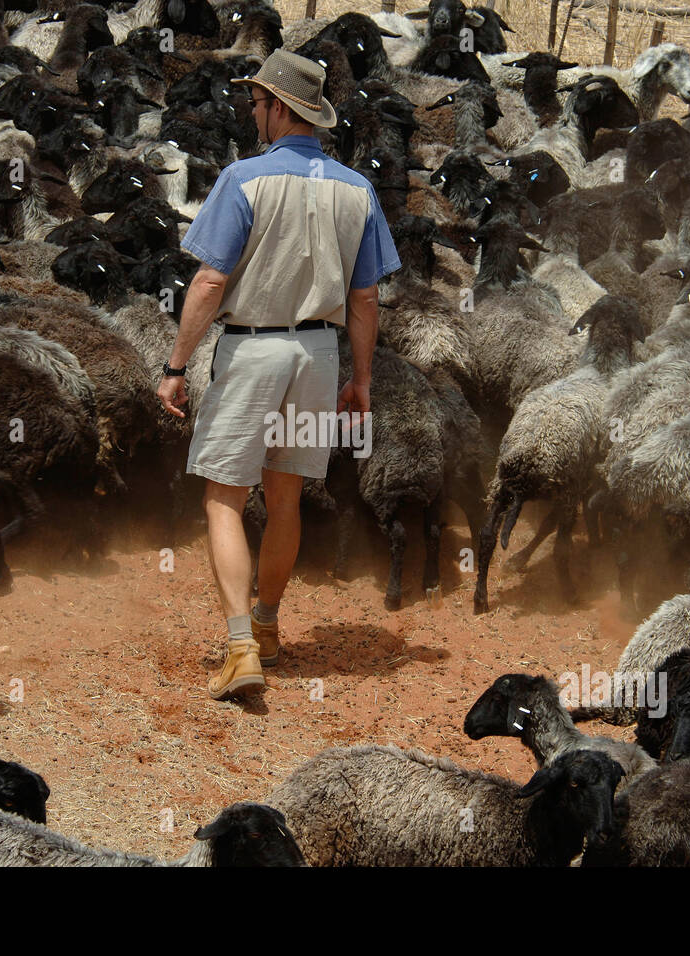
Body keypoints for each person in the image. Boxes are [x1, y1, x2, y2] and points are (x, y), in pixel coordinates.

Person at [156, 49, 400, 700]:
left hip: (253, 349)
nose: (252, 113)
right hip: (317, 354)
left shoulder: (243, 180)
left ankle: (240, 651)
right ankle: (266, 625)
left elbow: (209, 280)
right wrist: (363, 381)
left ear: (279, 108)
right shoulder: (359, 188)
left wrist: (175, 364)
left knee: (223, 499)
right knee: (285, 498)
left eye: (257, 103)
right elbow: (367, 297)